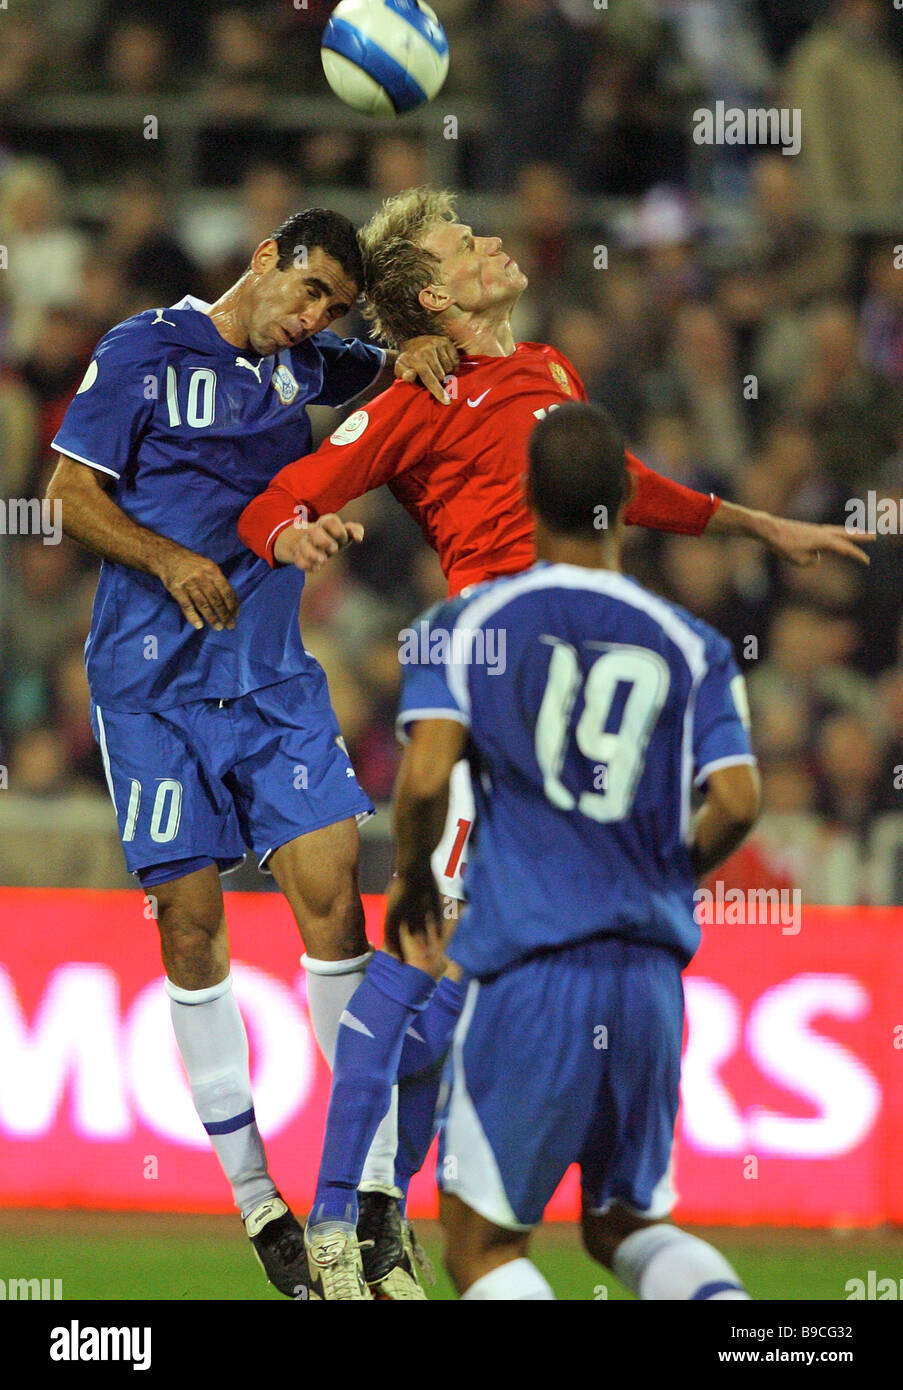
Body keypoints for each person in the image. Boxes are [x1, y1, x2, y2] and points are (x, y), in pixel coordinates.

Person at [237, 187, 871, 1296]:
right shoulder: (413, 394)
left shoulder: (553, 378)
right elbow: (279, 493)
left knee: (445, 986)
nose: (493, 241)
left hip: (567, 699)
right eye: (464, 241)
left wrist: (756, 521)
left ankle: (381, 1207)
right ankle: (339, 1224)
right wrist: (297, 528)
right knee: (425, 950)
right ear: (432, 295)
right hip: (495, 689)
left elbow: (622, 490)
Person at [45, 206, 455, 1300]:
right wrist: (171, 558)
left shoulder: (314, 358)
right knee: (190, 922)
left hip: (271, 683)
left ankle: (371, 1201)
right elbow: (66, 498)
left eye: (332, 307)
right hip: (149, 689)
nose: (310, 319)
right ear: (265, 257)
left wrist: (408, 348)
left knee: (336, 910)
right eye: (307, 289)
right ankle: (258, 1200)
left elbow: (396, 371)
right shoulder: (142, 348)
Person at [386, 401, 762, 1298]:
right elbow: (739, 801)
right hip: (648, 981)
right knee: (626, 1223)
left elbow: (428, 777)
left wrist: (411, 884)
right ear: (630, 496)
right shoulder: (691, 642)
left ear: (523, 496)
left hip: (529, 972)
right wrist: (663, 872)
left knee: (482, 1246)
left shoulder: (465, 622)